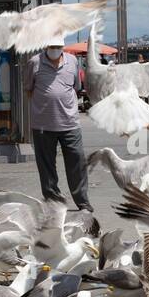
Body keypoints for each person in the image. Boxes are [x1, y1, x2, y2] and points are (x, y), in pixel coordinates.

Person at [25, 41, 92, 212]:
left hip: (70, 123)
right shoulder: (34, 62)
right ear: (45, 46)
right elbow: (28, 89)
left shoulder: (73, 61)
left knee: (77, 160)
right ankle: (53, 202)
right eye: (52, 47)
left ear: (62, 47)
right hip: (42, 125)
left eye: (58, 47)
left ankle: (82, 201)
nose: (55, 50)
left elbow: (75, 87)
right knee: (46, 166)